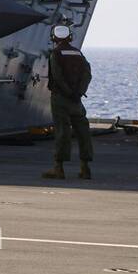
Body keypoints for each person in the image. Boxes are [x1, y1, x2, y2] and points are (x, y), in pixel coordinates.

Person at [43, 24, 93, 180]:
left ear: (54, 38)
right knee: (83, 132)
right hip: (77, 100)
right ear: (70, 36)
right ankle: (85, 168)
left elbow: (57, 76)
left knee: (62, 132)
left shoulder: (56, 53)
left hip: (61, 98)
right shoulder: (78, 53)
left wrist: (68, 92)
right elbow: (87, 74)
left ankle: (59, 168)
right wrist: (79, 92)